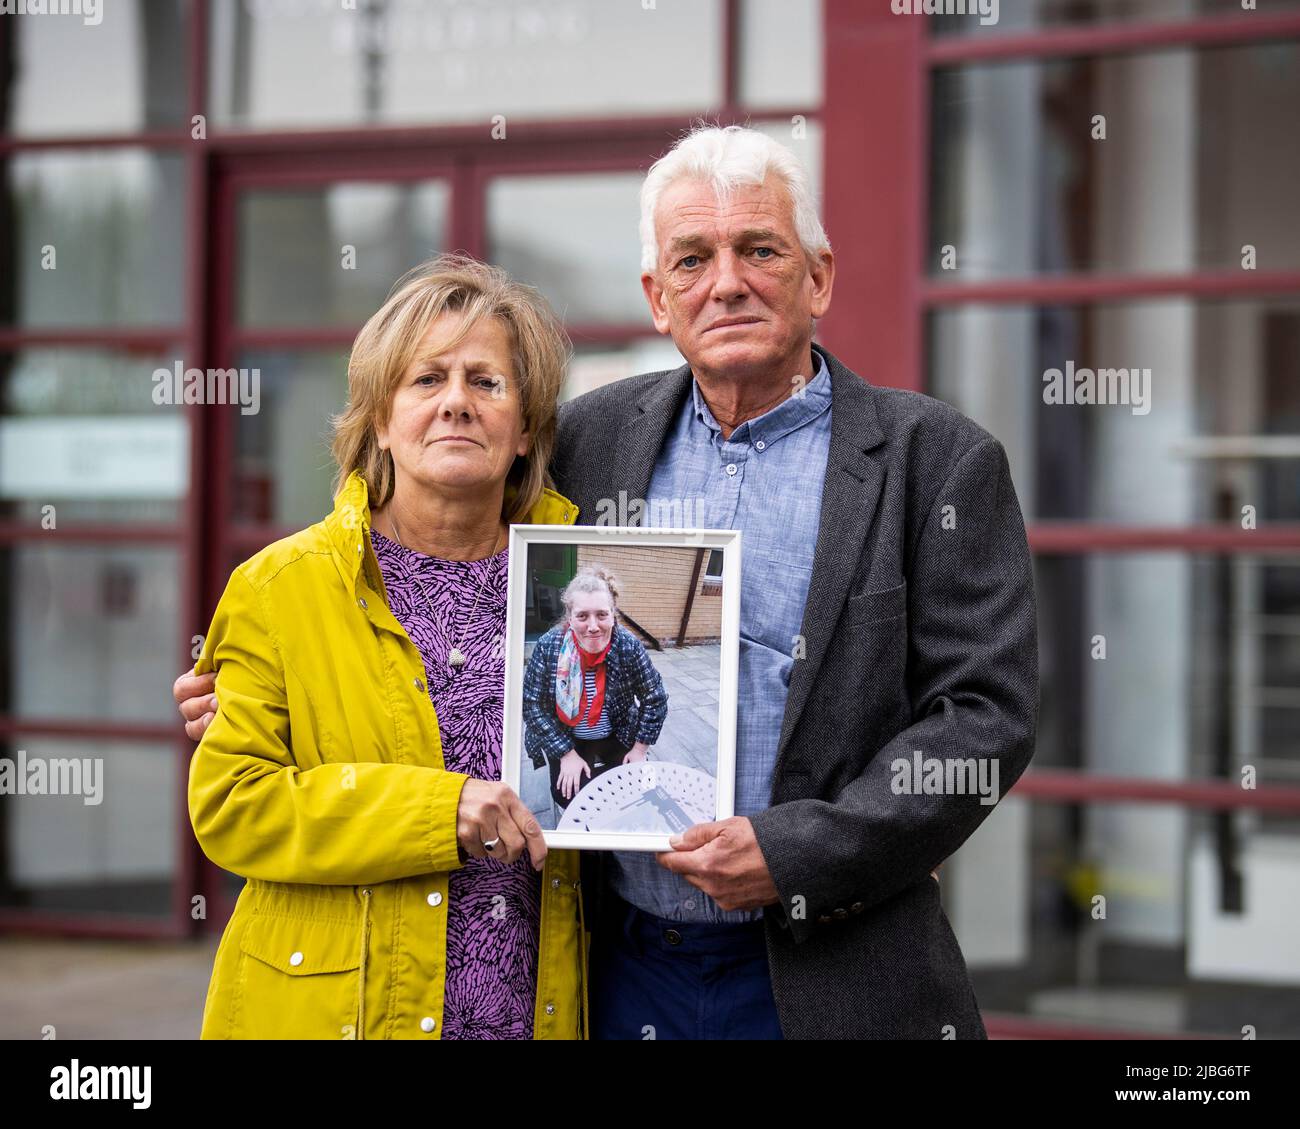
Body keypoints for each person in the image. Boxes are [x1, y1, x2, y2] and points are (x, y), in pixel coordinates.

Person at [178, 125, 1039, 1041]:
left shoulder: (935, 463)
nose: (727, 281)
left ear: (819, 276)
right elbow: (439, 573)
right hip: (618, 973)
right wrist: (252, 686)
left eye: (761, 250)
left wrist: (794, 853)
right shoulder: (590, 444)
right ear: (656, 298)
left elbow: (985, 717)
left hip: (836, 973)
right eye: (693, 258)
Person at [181, 254, 586, 1039]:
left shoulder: (578, 583)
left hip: (524, 1013)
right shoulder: (282, 587)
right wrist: (443, 808)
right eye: (426, 380)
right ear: (379, 419)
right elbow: (235, 806)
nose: (457, 404)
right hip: (342, 1016)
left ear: (527, 423)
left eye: (487, 382)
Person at [522, 565, 669, 811]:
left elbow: (655, 698)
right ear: (570, 617)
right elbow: (532, 706)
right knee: (567, 796)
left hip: (618, 732)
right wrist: (565, 754)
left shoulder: (628, 647)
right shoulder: (548, 647)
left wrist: (640, 749)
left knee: (631, 792)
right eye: (582, 616)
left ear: (613, 614)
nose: (593, 626)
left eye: (602, 615)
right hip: (568, 736)